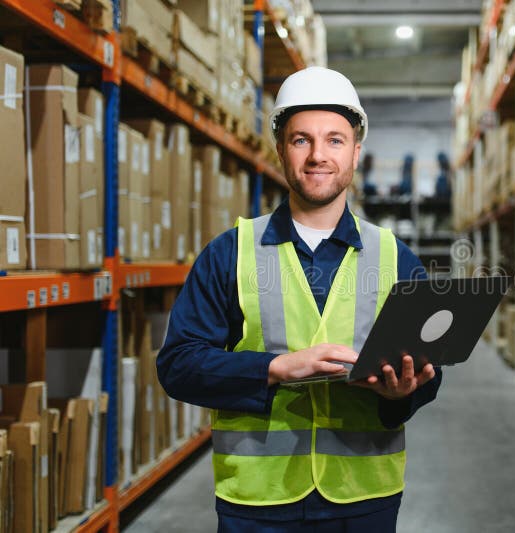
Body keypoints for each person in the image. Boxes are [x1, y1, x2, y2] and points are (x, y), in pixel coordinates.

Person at [157, 66, 443, 532]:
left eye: (334, 139)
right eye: (301, 140)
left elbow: (429, 371)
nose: (317, 156)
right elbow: (178, 366)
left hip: (363, 496)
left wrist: (401, 394)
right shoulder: (230, 252)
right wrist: (274, 369)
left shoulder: (396, 257)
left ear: (356, 152)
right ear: (281, 150)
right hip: (257, 500)